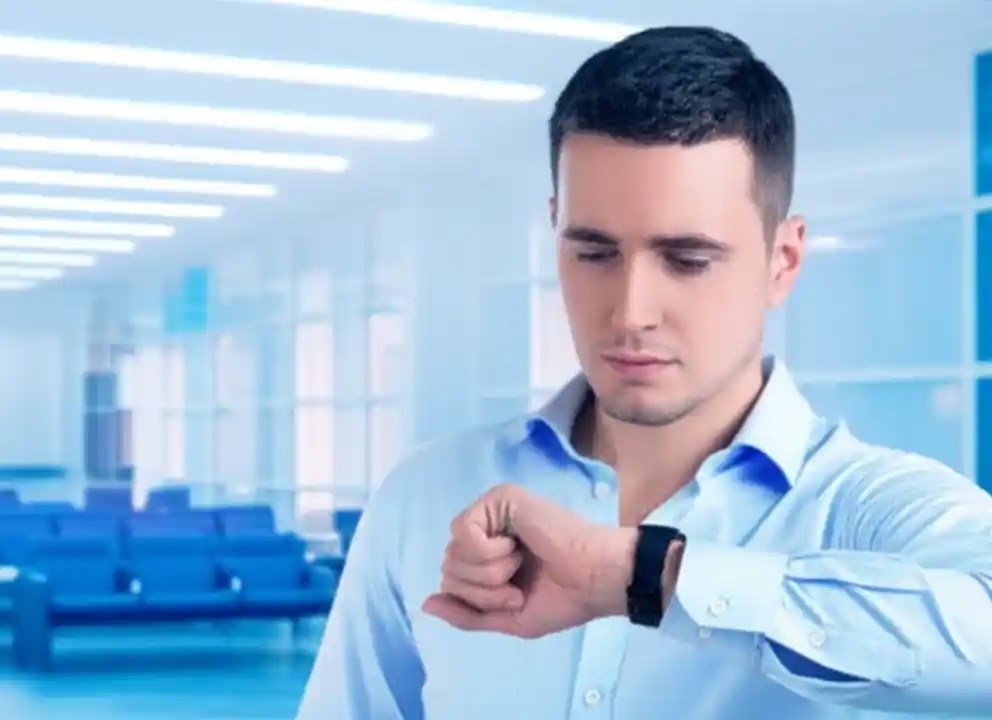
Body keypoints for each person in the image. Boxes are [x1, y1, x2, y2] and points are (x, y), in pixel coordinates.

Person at [296, 25, 992, 720]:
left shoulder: (866, 509)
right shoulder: (424, 495)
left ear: (783, 259)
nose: (630, 313)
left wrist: (639, 577)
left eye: (688, 260)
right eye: (594, 254)